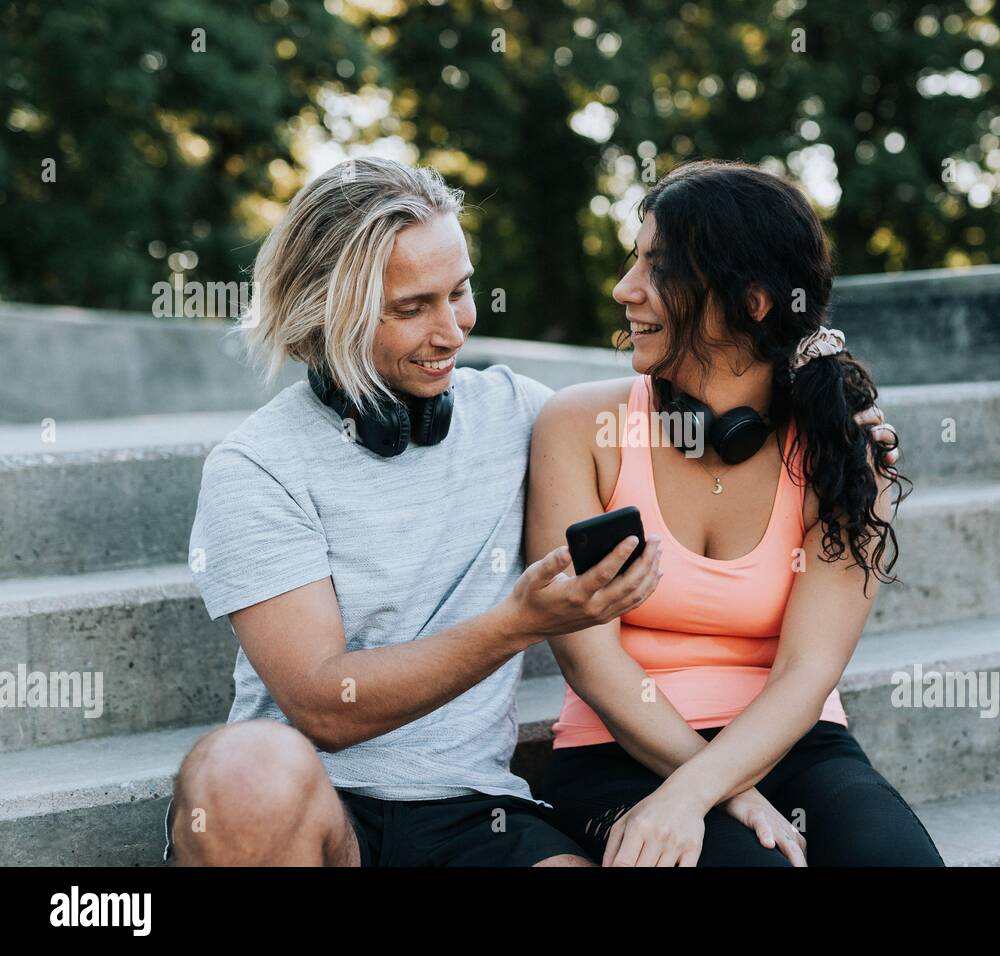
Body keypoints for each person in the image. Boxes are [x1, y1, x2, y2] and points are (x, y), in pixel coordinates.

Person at [165, 155, 909, 866]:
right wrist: (519, 622)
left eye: (459, 292)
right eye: (412, 309)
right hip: (321, 805)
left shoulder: (519, 413)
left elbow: (696, 392)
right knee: (241, 771)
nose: (453, 330)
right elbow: (326, 706)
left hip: (476, 814)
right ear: (323, 313)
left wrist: (838, 420)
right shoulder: (256, 467)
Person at [527, 159, 943, 866]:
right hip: (617, 755)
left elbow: (809, 673)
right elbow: (587, 657)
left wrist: (702, 791)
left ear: (751, 302)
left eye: (657, 269)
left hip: (791, 744)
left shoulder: (846, 450)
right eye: (635, 261)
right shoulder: (579, 426)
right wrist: (719, 794)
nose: (626, 290)